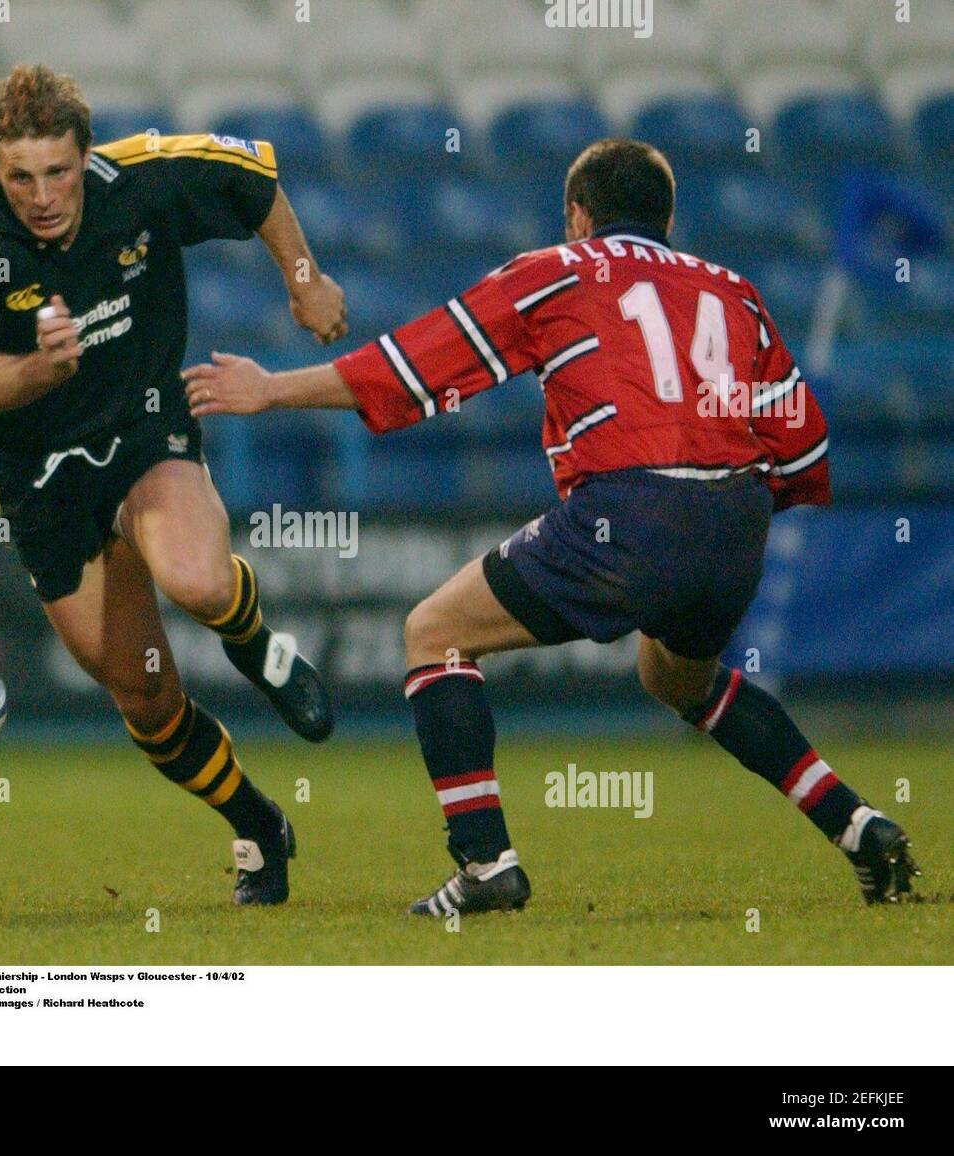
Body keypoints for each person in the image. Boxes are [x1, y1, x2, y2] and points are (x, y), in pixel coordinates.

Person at [183, 137, 919, 914]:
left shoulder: (555, 273)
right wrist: (718, 512)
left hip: (628, 509)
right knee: (676, 677)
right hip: (736, 516)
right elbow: (803, 441)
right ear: (667, 218)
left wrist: (270, 390)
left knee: (434, 633)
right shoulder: (731, 289)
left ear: (577, 214)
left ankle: (484, 865)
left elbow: (414, 366)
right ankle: (858, 824)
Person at [0, 65, 347, 905]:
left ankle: (255, 643)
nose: (44, 196)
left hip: (145, 424)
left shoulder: (142, 178)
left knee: (195, 578)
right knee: (145, 697)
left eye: (60, 171)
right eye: (22, 177)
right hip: (44, 477)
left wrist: (304, 281)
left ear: (86, 156)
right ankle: (260, 825)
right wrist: (41, 370)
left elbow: (253, 177)